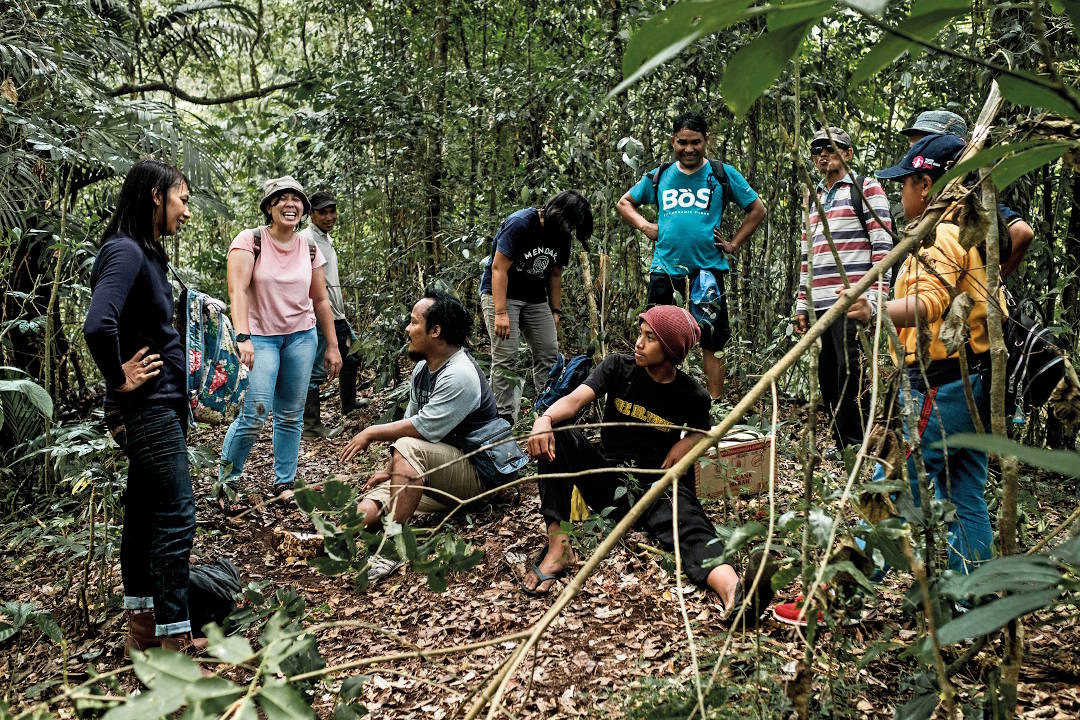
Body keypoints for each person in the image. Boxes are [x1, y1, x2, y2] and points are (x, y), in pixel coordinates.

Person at [523, 305, 776, 618]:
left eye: (650, 338)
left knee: (691, 526)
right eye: (640, 334)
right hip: (607, 479)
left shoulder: (692, 394)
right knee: (559, 432)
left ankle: (736, 594)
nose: (638, 343)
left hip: (658, 487)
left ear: (671, 350)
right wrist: (544, 419)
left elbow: (704, 432)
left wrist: (687, 442)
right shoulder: (618, 367)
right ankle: (558, 546)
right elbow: (575, 401)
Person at [83, 159, 204, 654]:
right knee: (176, 516)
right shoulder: (125, 251)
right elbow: (98, 325)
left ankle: (144, 632)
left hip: (156, 405)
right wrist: (120, 378)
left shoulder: (145, 251)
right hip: (146, 408)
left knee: (144, 515)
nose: (186, 212)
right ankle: (176, 645)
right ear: (156, 196)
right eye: (182, 200)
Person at [617, 111, 767, 399]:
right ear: (673, 141)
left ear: (706, 140)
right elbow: (625, 203)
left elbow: (757, 209)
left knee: (712, 340)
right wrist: (646, 226)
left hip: (707, 272)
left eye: (695, 142)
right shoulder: (661, 175)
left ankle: (714, 406)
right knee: (656, 338)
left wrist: (733, 244)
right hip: (665, 269)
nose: (689, 149)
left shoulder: (722, 174)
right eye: (682, 142)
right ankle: (657, 404)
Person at [219, 176, 342, 508]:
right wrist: (242, 336)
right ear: (269, 207)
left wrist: (332, 345)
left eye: (296, 199)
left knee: (290, 415)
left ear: (303, 208)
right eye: (282, 199)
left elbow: (320, 300)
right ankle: (227, 483)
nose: (290, 204)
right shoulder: (250, 240)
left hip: (301, 337)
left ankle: (284, 481)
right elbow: (237, 291)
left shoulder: (310, 247)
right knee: (254, 414)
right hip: (260, 337)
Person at [340, 289, 501, 531]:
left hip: (479, 476)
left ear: (435, 331)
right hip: (439, 470)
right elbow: (411, 426)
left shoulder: (460, 374)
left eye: (414, 322)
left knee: (407, 447)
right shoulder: (422, 369)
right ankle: (330, 539)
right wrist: (389, 471)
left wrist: (371, 432)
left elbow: (422, 429)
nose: (407, 329)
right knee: (373, 501)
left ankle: (394, 539)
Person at [794, 127, 894, 452]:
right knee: (827, 375)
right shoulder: (814, 199)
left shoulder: (865, 188)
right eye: (817, 149)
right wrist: (802, 304)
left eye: (831, 147)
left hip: (852, 301)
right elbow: (808, 256)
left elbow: (883, 246)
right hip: (820, 305)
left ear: (848, 153)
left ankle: (857, 445)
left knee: (850, 373)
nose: (823, 154)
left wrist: (874, 300)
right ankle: (843, 444)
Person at [478, 190, 593, 424]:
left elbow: (555, 274)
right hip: (502, 294)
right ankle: (502, 419)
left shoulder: (563, 235)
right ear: (558, 214)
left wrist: (555, 310)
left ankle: (546, 411)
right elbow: (498, 269)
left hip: (534, 297)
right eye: (570, 224)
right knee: (506, 356)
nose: (570, 231)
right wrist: (500, 312)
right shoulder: (520, 224)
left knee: (548, 352)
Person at [900, 109, 1034, 277]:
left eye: (922, 146)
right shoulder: (930, 194)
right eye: (913, 149)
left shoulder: (969, 194)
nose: (913, 155)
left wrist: (986, 281)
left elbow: (1022, 232)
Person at [301, 191, 362, 438]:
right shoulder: (307, 240)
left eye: (332, 211)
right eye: (322, 212)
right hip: (320, 316)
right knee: (316, 370)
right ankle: (311, 426)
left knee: (353, 354)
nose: (329, 217)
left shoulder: (325, 238)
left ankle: (349, 404)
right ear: (311, 214)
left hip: (338, 314)